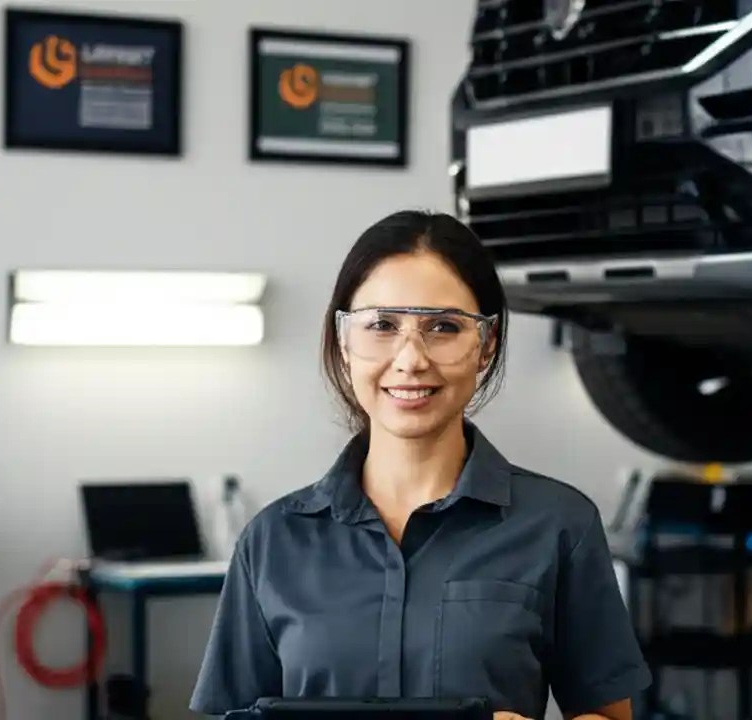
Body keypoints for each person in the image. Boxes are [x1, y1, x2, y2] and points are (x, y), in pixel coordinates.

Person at [189, 210, 652, 720]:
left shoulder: (560, 524)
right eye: (382, 325)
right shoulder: (272, 540)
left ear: (486, 345)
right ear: (345, 343)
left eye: (444, 327)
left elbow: (609, 715)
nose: (410, 359)